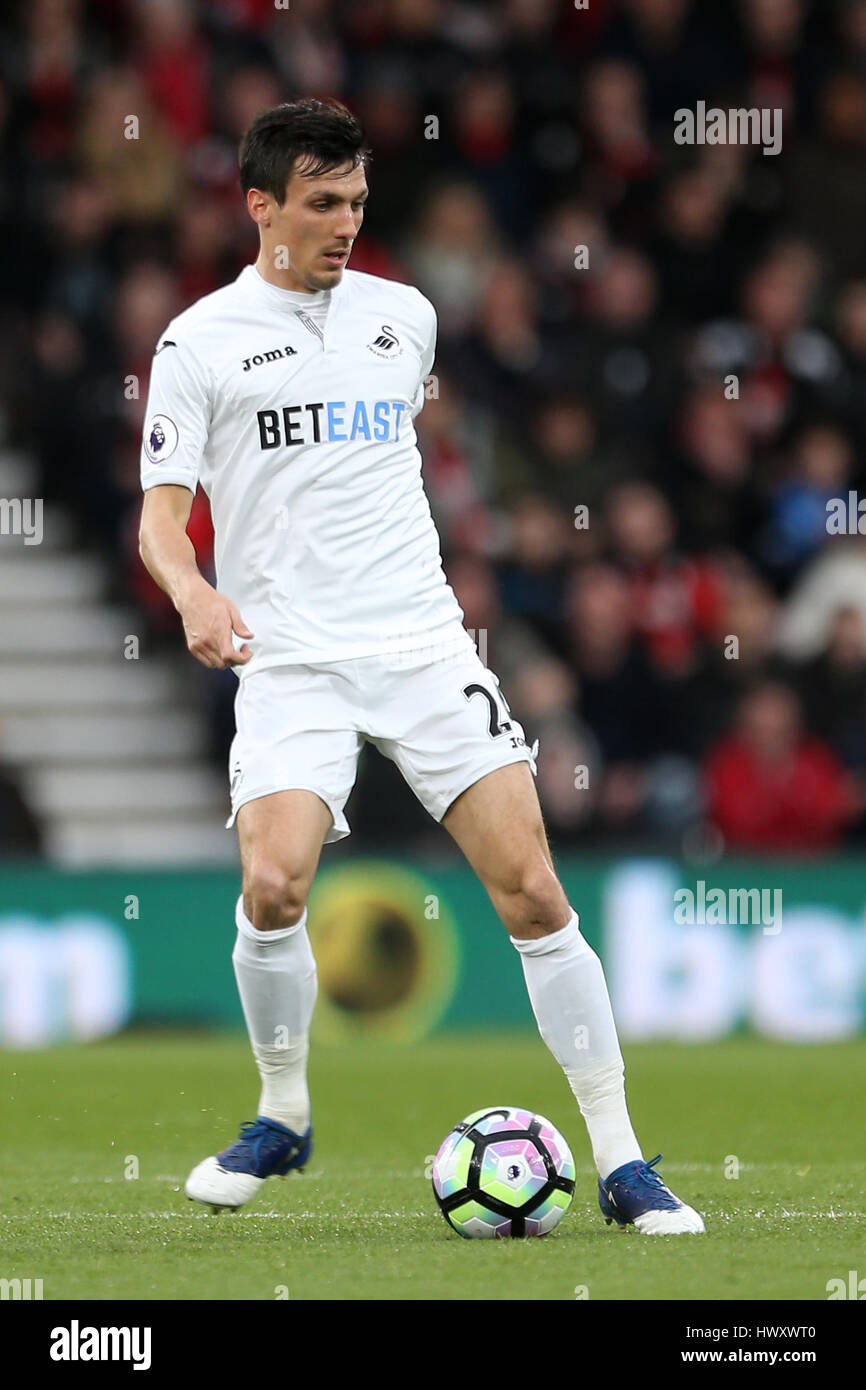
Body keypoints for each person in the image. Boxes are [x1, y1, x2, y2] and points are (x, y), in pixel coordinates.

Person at [137, 98, 703, 1235]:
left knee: (535, 892)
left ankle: (623, 1160)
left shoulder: (405, 318)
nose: (345, 223)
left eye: (355, 200)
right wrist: (193, 592)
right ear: (260, 205)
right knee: (273, 883)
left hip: (419, 641)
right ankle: (282, 1112)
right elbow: (160, 517)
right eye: (320, 203)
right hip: (289, 656)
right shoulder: (196, 341)